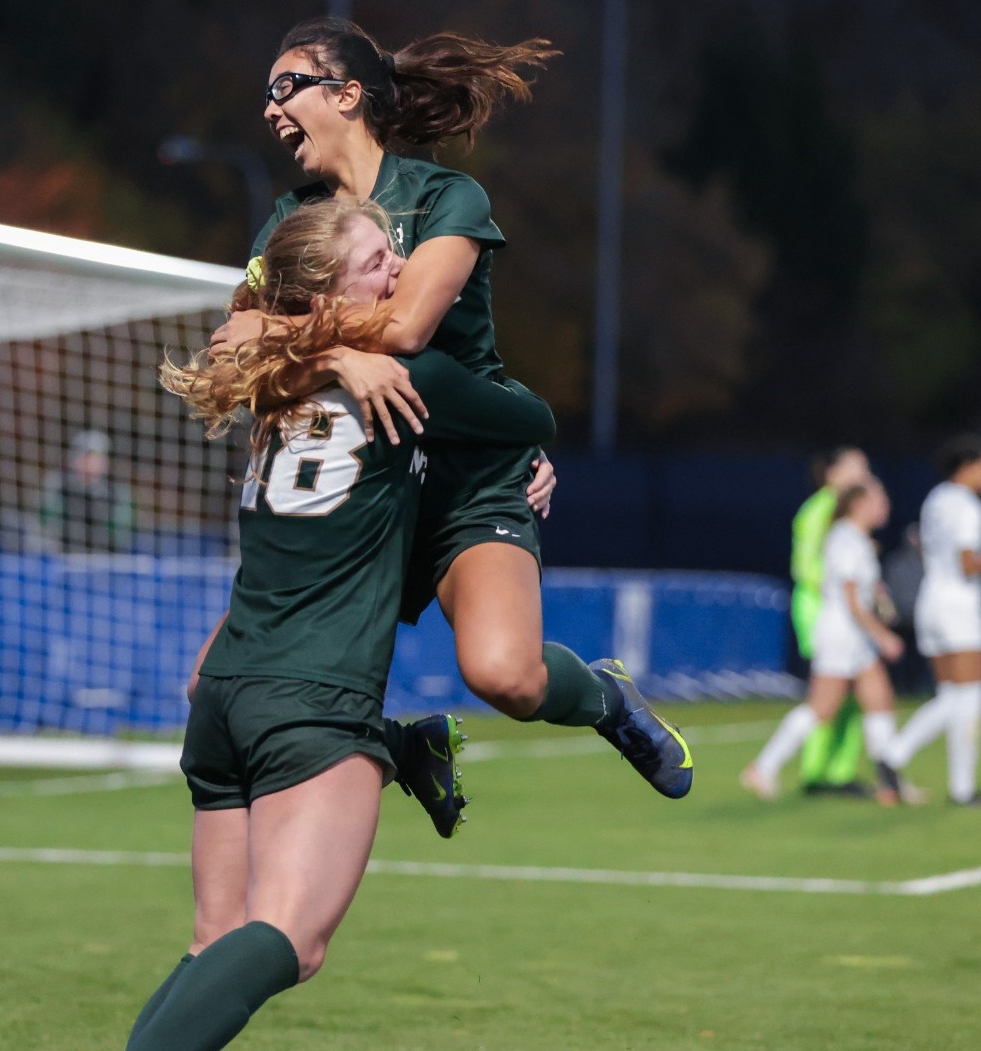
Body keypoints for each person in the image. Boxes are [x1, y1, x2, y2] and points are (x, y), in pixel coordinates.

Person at [62, 196, 558, 1051]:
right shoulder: (414, 373)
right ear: (329, 287)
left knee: (218, 940)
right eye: (376, 259)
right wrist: (522, 455)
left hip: (224, 690)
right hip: (310, 699)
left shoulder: (268, 377)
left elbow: (241, 339)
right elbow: (530, 413)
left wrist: (324, 341)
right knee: (291, 935)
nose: (397, 272)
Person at [212, 17, 692, 821]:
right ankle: (407, 747)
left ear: (347, 94)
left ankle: (604, 698)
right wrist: (335, 359)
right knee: (221, 680)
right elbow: (228, 352)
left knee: (505, 675)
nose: (268, 109)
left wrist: (290, 335)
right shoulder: (289, 222)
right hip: (362, 489)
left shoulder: (445, 197)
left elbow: (405, 329)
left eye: (283, 87)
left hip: (468, 479)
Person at [883, 437, 981, 805]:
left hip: (931, 600)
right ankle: (900, 757)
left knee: (953, 695)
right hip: (959, 607)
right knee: (968, 699)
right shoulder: (968, 507)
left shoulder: (935, 498)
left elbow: (926, 546)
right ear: (968, 466)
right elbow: (970, 564)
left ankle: (950, 783)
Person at [743, 481, 910, 805]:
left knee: (879, 700)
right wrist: (883, 635)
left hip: (855, 636)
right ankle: (762, 768)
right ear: (858, 504)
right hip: (841, 634)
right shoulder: (846, 539)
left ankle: (891, 784)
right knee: (822, 708)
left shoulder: (856, 539)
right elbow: (850, 600)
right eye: (879, 499)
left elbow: (862, 590)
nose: (885, 505)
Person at [787, 446, 874, 793]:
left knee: (853, 696)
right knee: (829, 693)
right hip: (821, 610)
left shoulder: (849, 513)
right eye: (857, 468)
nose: (865, 475)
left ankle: (840, 773)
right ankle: (814, 772)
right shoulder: (819, 510)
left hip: (843, 611)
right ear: (833, 472)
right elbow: (806, 567)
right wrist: (844, 595)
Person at [39, 429, 136, 552]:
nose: (90, 463)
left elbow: (121, 533)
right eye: (85, 457)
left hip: (104, 558)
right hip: (63, 556)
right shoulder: (58, 485)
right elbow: (47, 524)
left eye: (96, 458)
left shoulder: (117, 491)